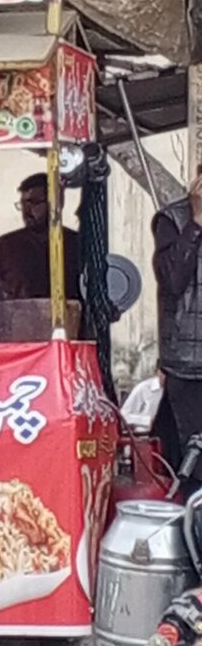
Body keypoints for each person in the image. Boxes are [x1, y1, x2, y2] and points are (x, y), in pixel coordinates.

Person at [152, 173, 202, 494]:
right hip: (189, 363)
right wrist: (196, 222)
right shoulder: (171, 219)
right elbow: (172, 279)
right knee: (195, 462)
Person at [0, 172, 80, 301]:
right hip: (19, 319)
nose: (26, 210)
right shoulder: (6, 246)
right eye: (23, 204)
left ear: (57, 203)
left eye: (34, 202)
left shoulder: (76, 244)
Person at [120, 363, 164, 434]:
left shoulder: (175, 391)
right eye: (163, 373)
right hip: (144, 436)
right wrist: (147, 421)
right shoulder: (143, 388)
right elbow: (123, 415)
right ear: (157, 371)